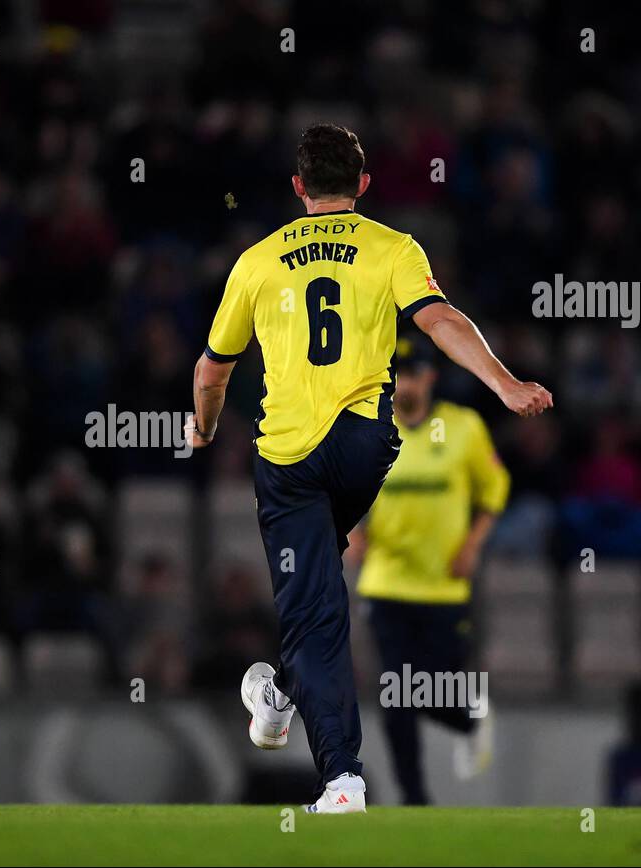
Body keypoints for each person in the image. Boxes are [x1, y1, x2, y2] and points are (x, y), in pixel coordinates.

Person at [183, 124, 551, 814]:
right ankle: (279, 694)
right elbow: (440, 320)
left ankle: (342, 779)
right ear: (363, 185)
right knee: (319, 593)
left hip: (291, 462)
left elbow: (212, 370)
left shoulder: (257, 262)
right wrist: (504, 385)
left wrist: (202, 428)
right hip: (364, 448)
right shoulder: (392, 247)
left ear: (298, 187)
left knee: (315, 615)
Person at [351, 335, 509, 805]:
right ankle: (414, 801)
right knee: (395, 693)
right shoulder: (366, 428)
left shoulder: (463, 428)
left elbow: (494, 489)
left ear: (431, 378)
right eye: (396, 375)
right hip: (387, 582)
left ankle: (469, 720)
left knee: (430, 690)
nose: (403, 384)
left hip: (444, 586)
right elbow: (340, 487)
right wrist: (350, 530)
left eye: (412, 374)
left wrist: (473, 545)